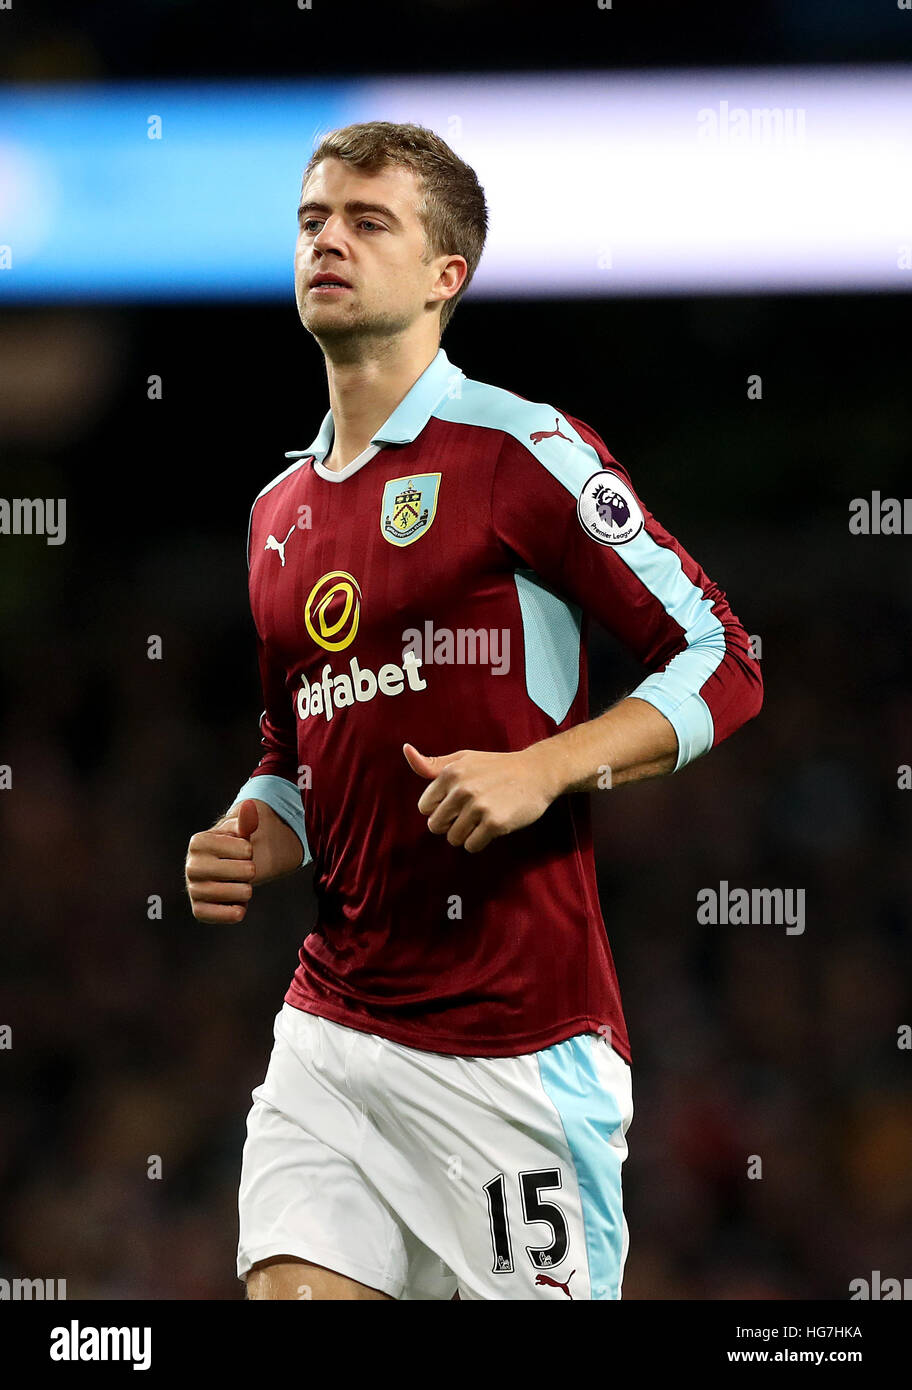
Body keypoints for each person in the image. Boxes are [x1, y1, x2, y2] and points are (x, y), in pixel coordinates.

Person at [184, 120, 763, 1301]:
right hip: (335, 1034)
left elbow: (725, 656)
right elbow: (293, 744)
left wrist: (548, 766)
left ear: (448, 275)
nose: (327, 240)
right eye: (311, 221)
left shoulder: (520, 450)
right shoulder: (275, 513)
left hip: (518, 1049)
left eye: (366, 220)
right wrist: (256, 825)